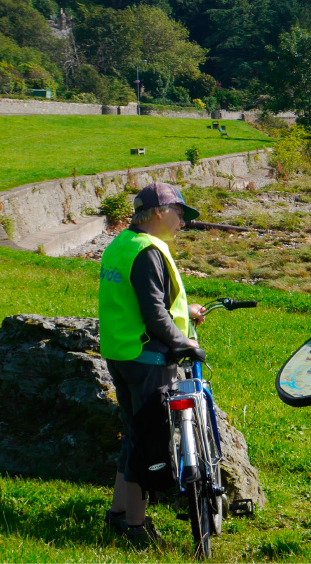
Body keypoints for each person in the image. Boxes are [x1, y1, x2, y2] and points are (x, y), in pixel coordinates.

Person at [98, 182, 204, 546]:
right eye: (179, 214)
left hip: (121, 352)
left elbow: (136, 298)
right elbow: (154, 314)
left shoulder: (121, 244)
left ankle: (118, 513)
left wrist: (186, 310)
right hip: (148, 359)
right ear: (159, 211)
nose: (182, 223)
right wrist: (184, 343)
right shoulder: (148, 251)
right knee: (148, 444)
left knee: (133, 435)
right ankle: (136, 527)